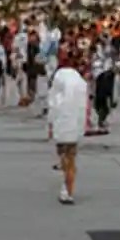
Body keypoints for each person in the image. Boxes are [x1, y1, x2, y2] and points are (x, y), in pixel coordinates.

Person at [47, 60, 88, 205]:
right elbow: (84, 107)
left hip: (62, 126)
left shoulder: (58, 83)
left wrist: (51, 124)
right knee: (71, 158)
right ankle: (68, 189)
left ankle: (66, 187)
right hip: (75, 126)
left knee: (65, 156)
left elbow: (52, 105)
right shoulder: (80, 84)